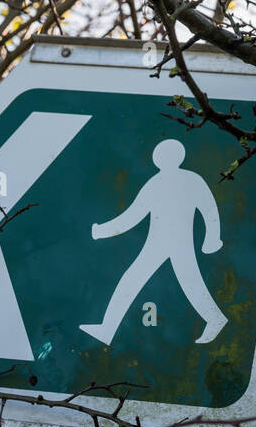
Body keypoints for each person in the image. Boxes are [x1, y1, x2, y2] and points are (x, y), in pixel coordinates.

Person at [80, 139, 227, 345]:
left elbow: (209, 209)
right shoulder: (155, 183)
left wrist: (212, 238)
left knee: (191, 284)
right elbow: (132, 215)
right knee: (132, 280)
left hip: (179, 243)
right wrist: (102, 231)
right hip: (157, 243)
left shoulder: (190, 180)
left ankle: (216, 319)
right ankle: (107, 328)